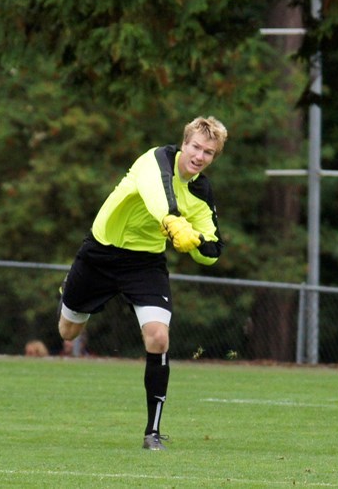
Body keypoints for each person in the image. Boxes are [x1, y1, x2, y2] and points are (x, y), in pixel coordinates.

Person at [58, 116, 228, 451]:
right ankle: (69, 290)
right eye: (195, 147)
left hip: (145, 263)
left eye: (208, 152)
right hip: (101, 252)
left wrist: (195, 240)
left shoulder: (201, 191)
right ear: (184, 143)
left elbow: (213, 249)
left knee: (159, 337)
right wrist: (173, 222)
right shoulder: (155, 159)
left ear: (214, 157)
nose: (199, 156)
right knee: (68, 332)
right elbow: (157, 196)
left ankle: (152, 433)